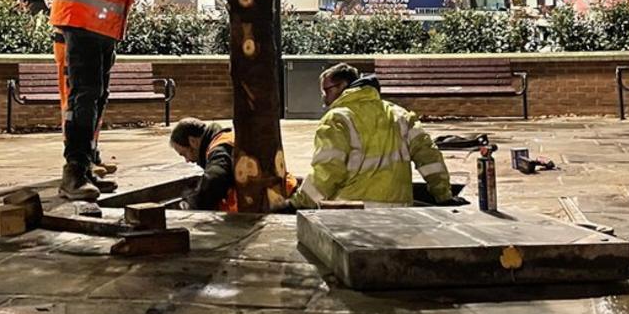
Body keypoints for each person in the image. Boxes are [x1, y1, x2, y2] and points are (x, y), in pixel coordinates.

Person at [51, 0, 216, 200]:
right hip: (82, 20)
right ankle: (74, 170)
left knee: (95, 96)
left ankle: (83, 167)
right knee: (85, 95)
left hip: (100, 24)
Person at [288, 63, 459, 208]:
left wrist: (299, 203)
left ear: (343, 86)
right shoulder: (400, 115)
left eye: (326, 91)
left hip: (352, 213)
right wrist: (443, 196)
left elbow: (328, 172)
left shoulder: (337, 119)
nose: (324, 99)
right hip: (401, 213)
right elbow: (430, 158)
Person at [169, 117, 298, 212]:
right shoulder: (227, 137)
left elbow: (216, 179)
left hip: (272, 203)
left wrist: (192, 204)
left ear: (193, 141)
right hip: (282, 194)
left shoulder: (219, 147)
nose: (187, 160)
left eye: (184, 153)